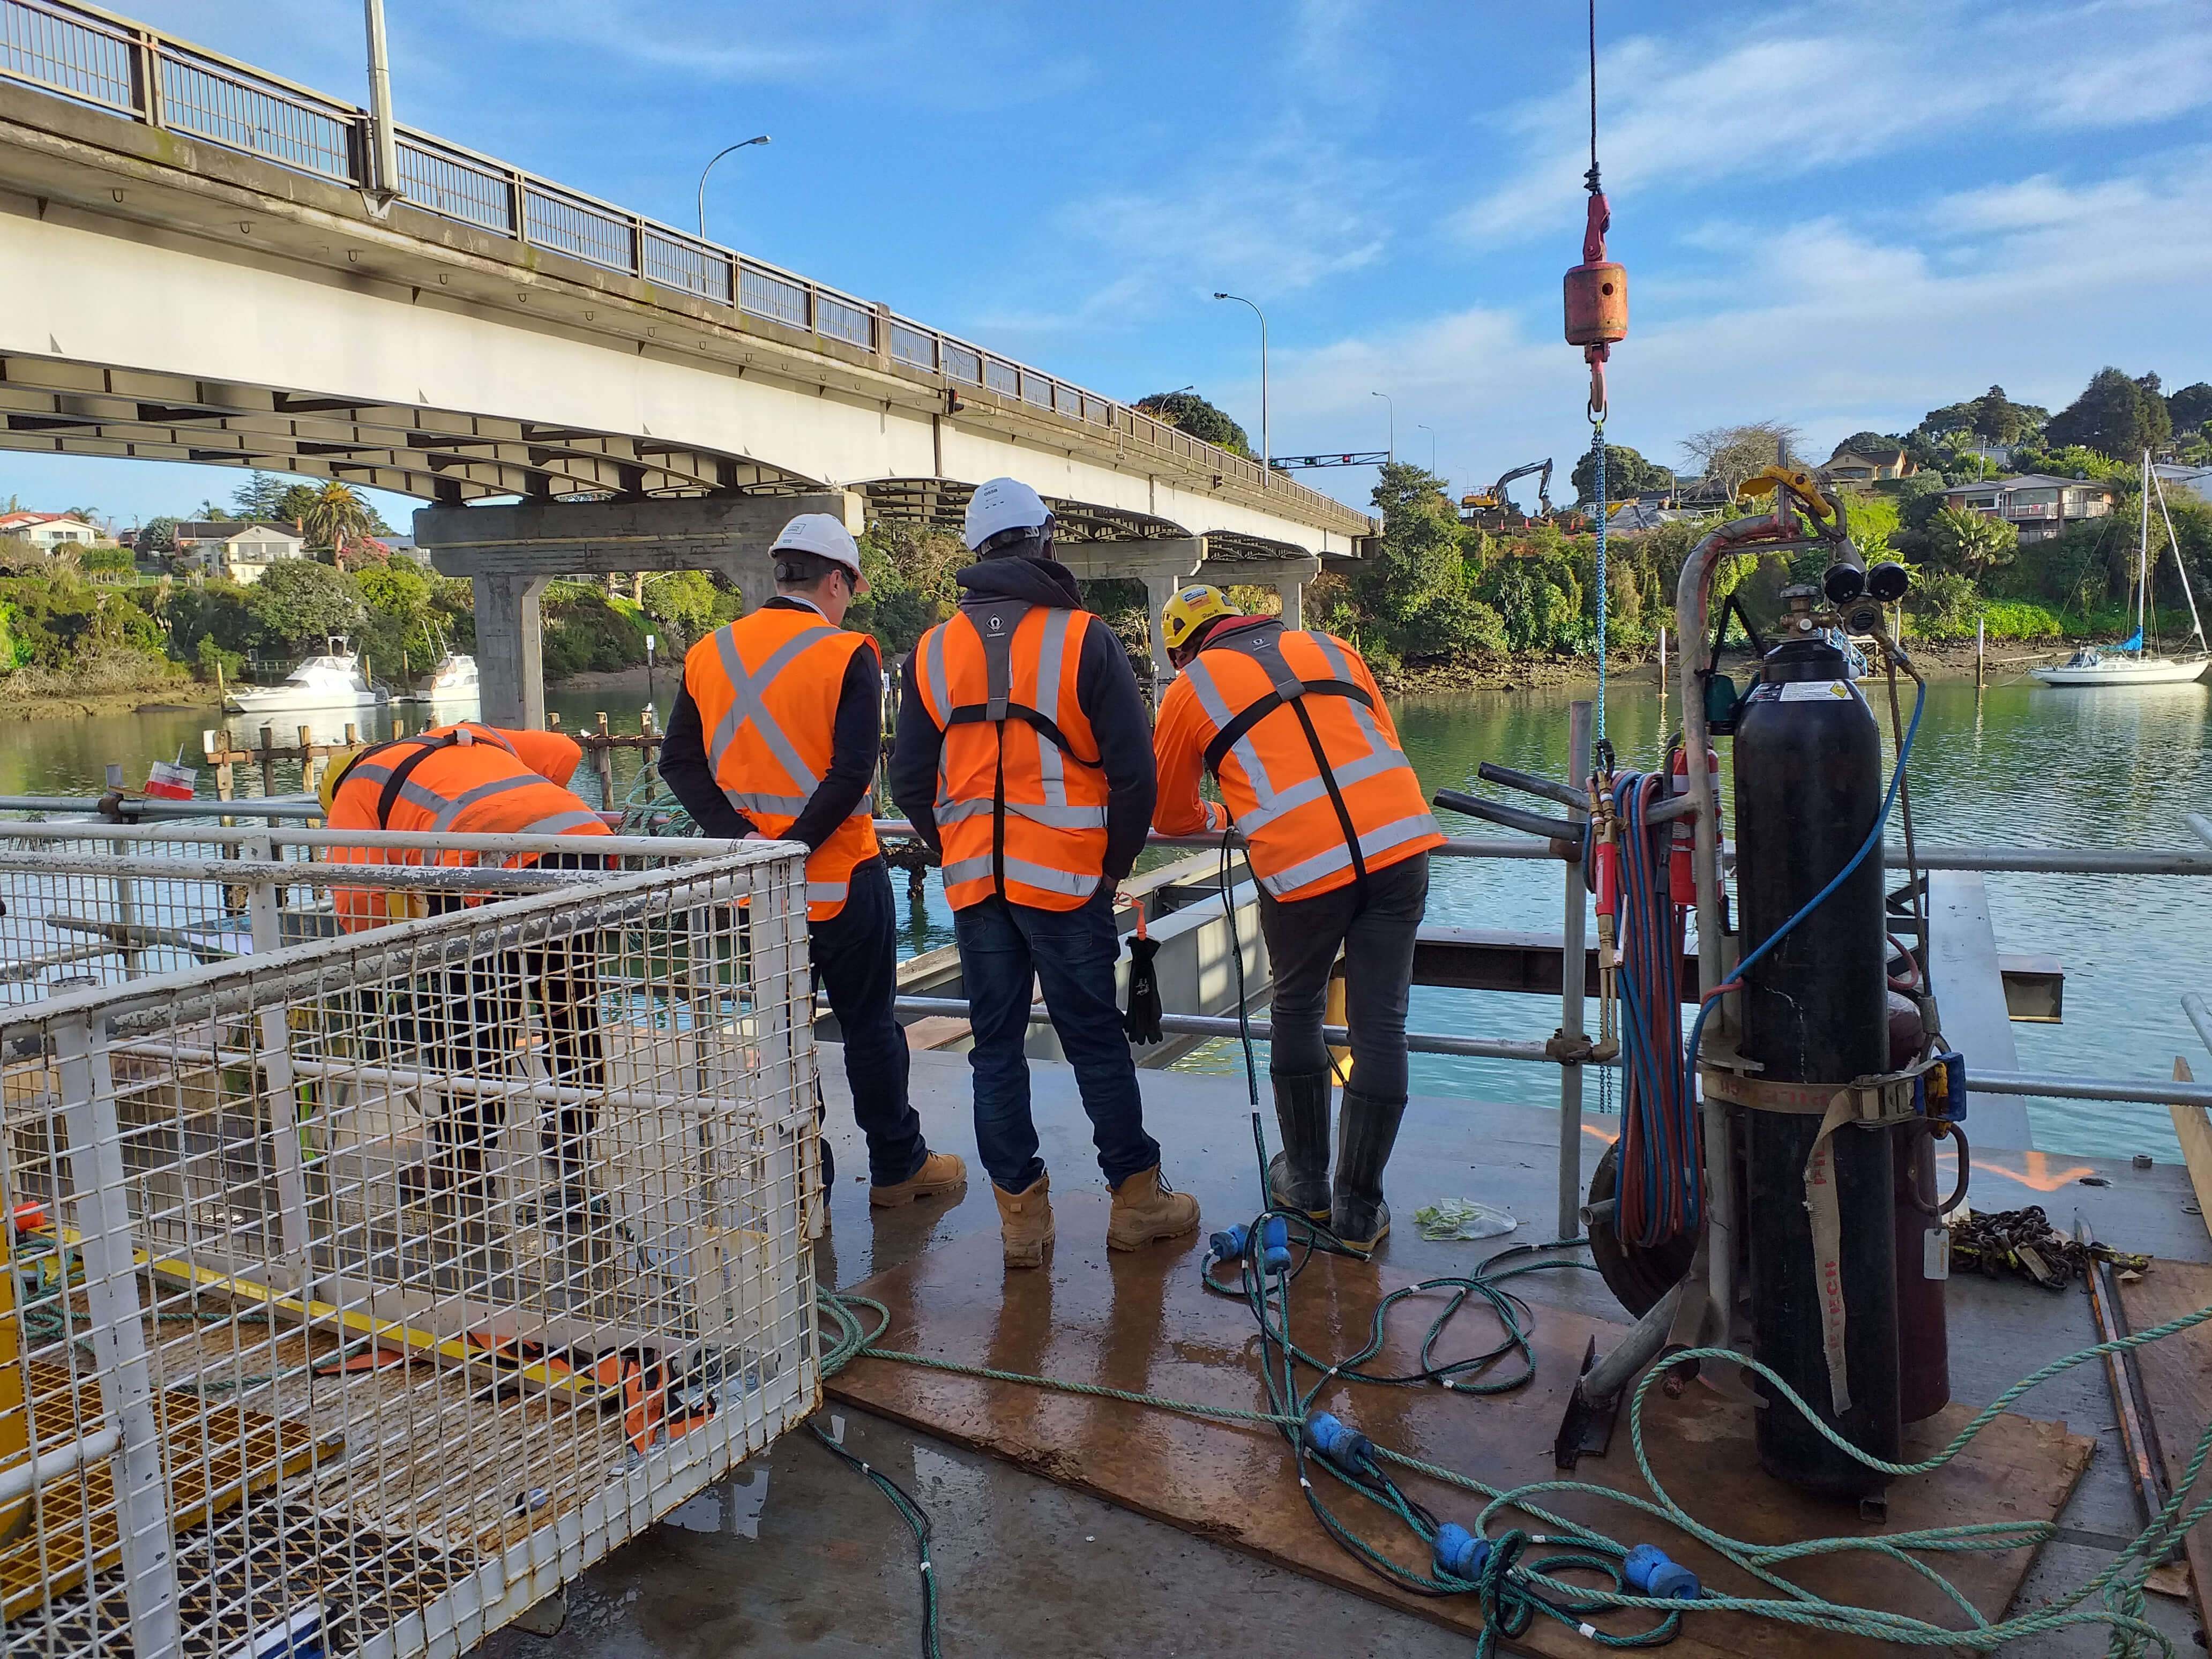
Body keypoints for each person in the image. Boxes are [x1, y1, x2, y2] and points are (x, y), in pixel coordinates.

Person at [889, 477, 1197, 1268]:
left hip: (978, 887)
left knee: (994, 1050)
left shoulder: (933, 648)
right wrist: (1107, 867)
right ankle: (1136, 1203)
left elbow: (910, 782)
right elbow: (1136, 778)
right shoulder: (1083, 638)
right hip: (1066, 884)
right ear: (1047, 539)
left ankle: (1023, 1222)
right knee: (1095, 1043)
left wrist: (955, 844)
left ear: (977, 552)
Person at [657, 512, 966, 1215]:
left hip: (756, 888)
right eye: (850, 586)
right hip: (842, 879)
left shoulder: (710, 652)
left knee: (784, 1035)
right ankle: (897, 1167)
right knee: (870, 1028)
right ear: (834, 579)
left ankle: (804, 1184)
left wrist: (746, 839)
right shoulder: (846, 651)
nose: (849, 600)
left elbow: (677, 761)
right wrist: (799, 844)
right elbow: (854, 770)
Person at [1149, 585, 1441, 1249]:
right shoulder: (1332, 647)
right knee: (1382, 1026)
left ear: (1183, 646)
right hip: (1401, 845)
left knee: (1298, 1005)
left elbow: (1169, 815)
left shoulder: (1190, 688)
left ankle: (1306, 1183)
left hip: (1306, 868)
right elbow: (1385, 743)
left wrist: (1227, 816)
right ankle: (1361, 1211)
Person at [320, 722, 614, 1219]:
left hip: (478, 864)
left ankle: (464, 1157)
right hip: (582, 842)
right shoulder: (467, 735)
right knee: (569, 1001)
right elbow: (564, 750)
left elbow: (356, 892)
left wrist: (379, 961)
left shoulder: (357, 787)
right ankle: (571, 1139)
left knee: (468, 1015)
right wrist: (533, 810)